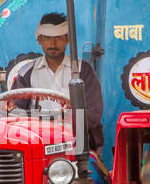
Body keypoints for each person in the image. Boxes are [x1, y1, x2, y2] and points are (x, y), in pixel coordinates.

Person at [7, 12, 104, 150]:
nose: (53, 43)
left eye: (58, 38)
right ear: (40, 40)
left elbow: (93, 114)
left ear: (67, 39)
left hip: (76, 143)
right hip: (36, 143)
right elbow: (15, 112)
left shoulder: (83, 70)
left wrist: (63, 130)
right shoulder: (27, 72)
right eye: (47, 38)